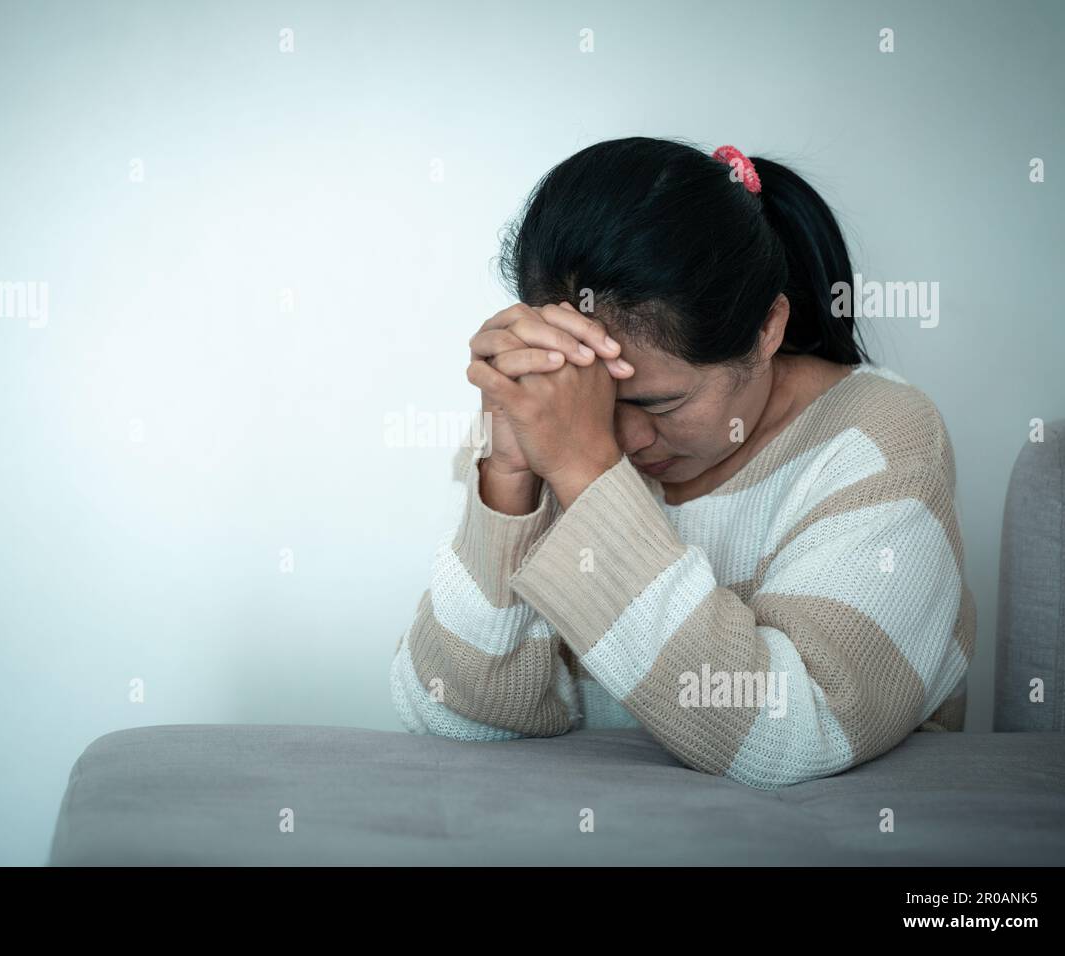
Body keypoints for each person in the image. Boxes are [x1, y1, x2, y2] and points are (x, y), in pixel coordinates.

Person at [388, 137, 974, 789]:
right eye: (596, 404)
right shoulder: (556, 421)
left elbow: (793, 737)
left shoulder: (878, 438)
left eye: (660, 401)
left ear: (766, 329)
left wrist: (588, 475)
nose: (626, 440)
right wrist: (508, 480)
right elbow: (461, 715)